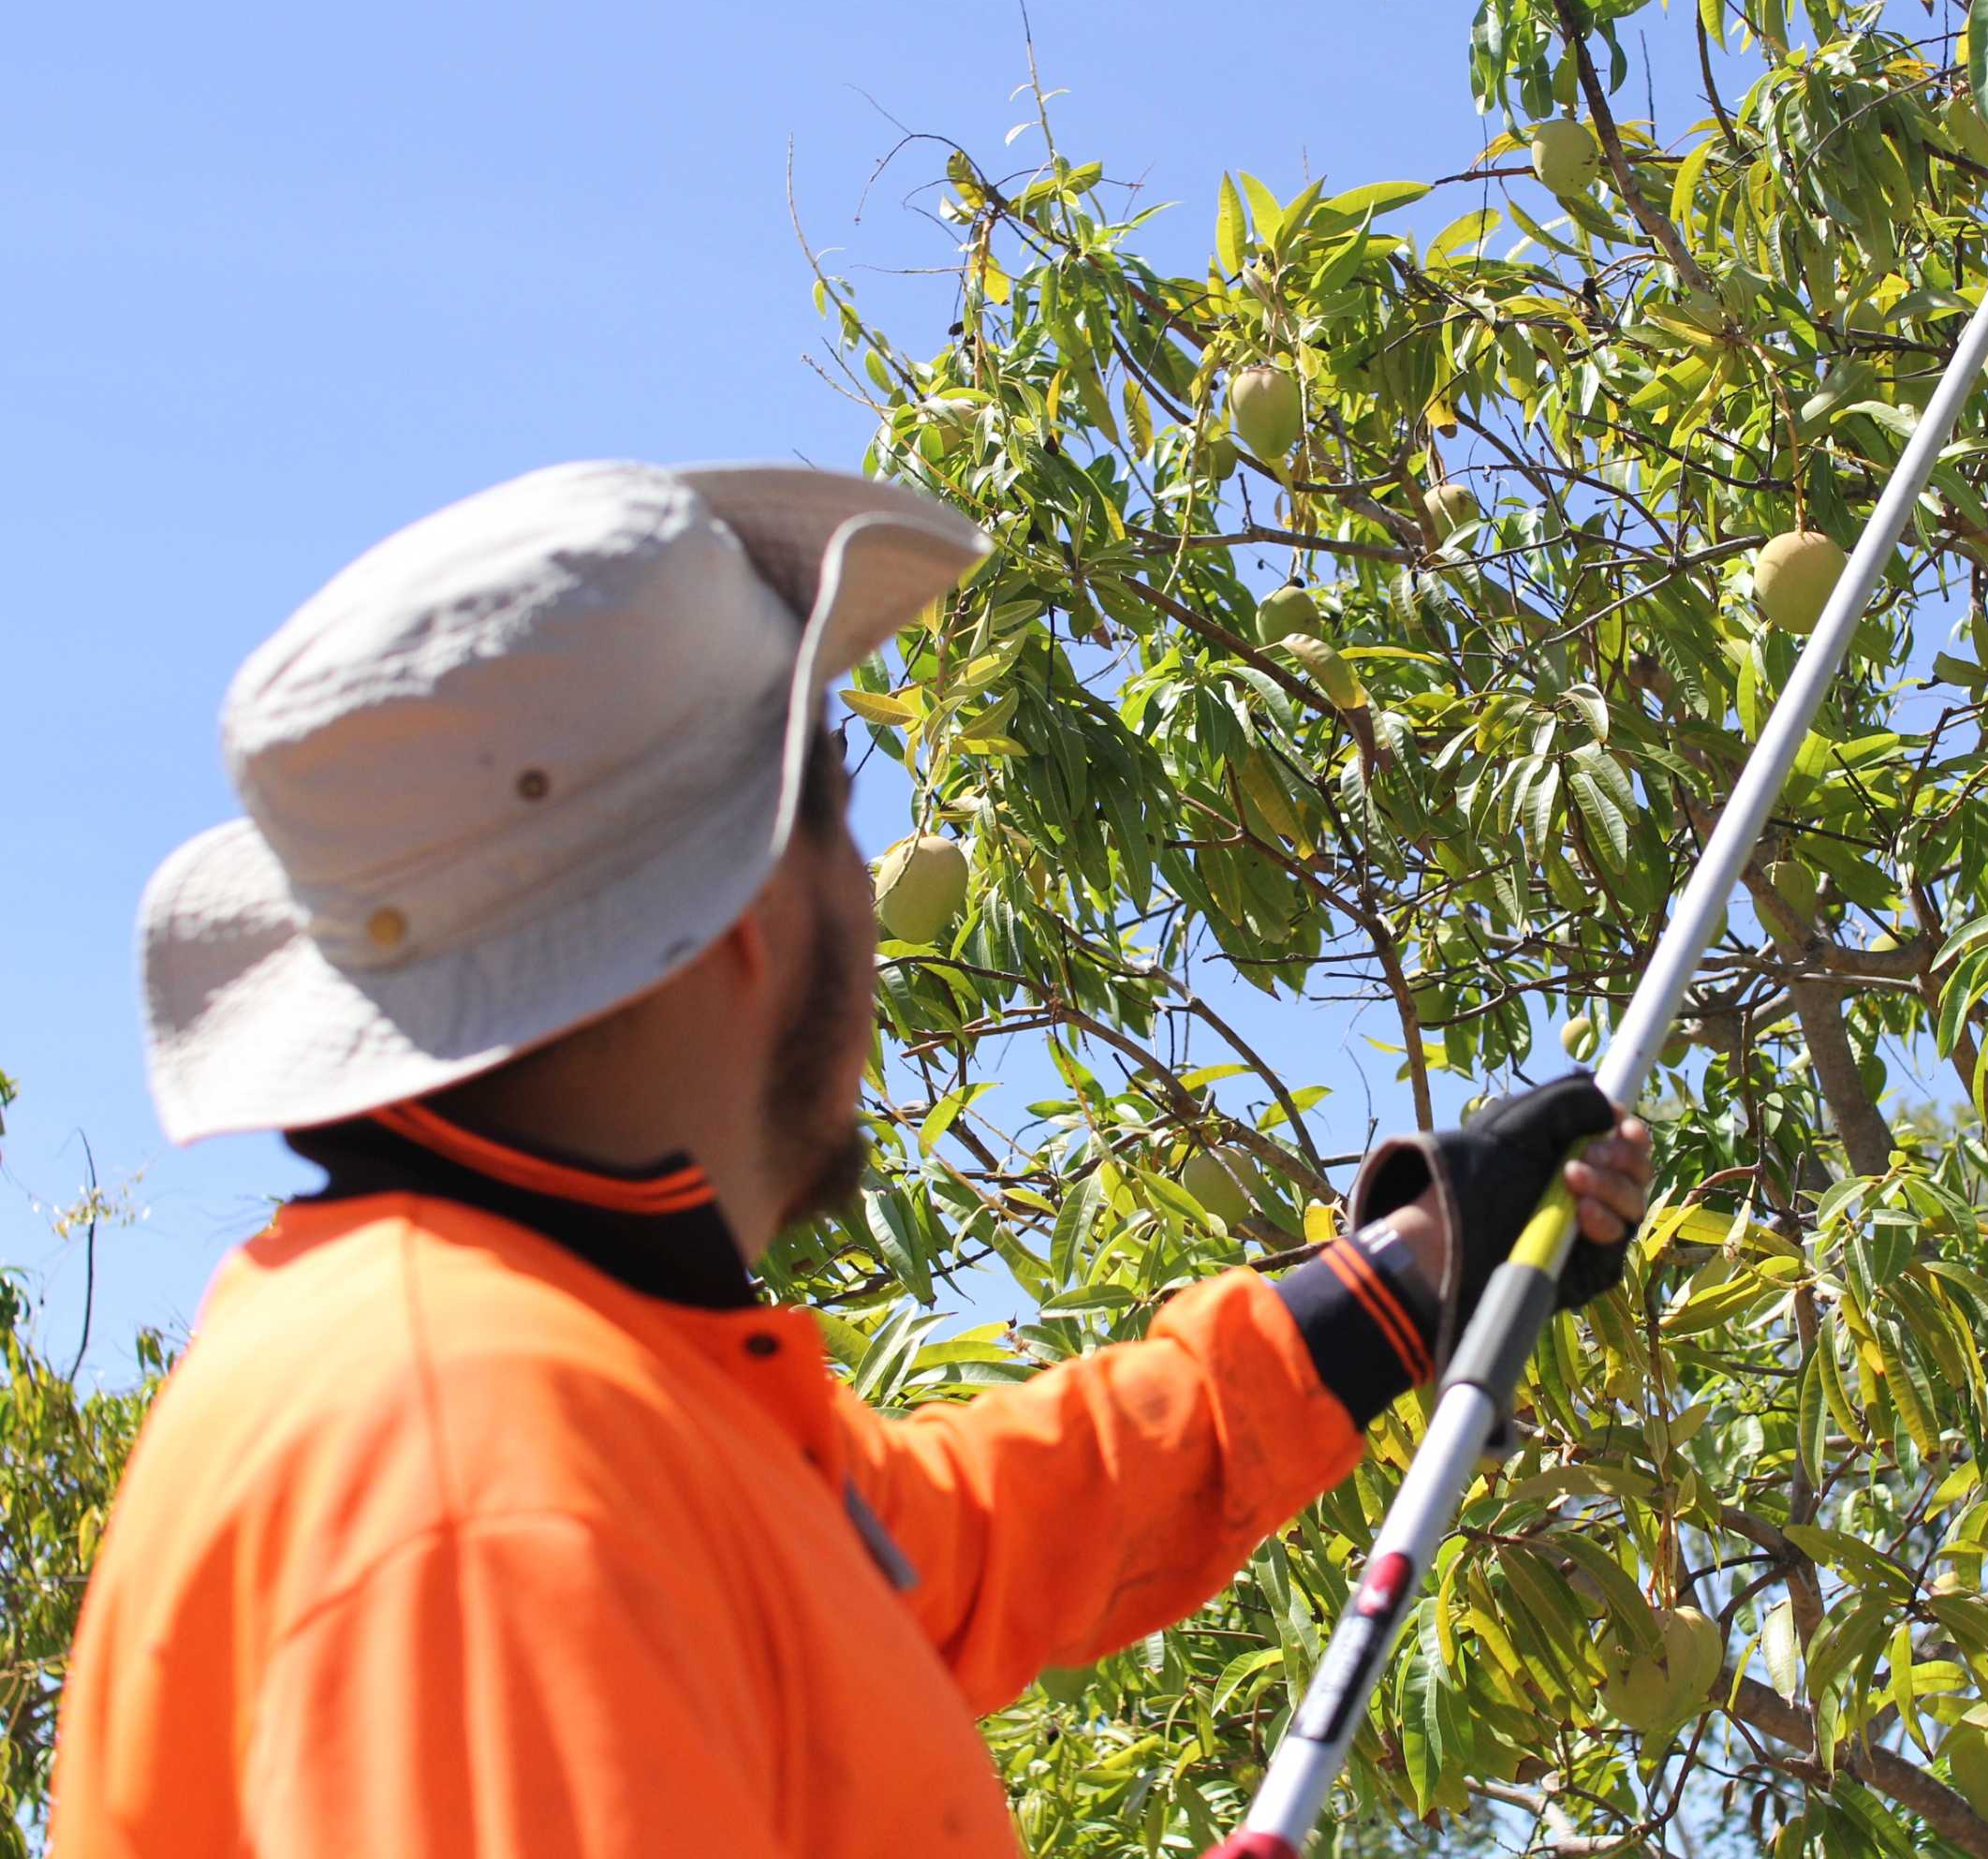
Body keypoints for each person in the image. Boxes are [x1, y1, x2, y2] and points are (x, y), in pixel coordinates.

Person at [50, 462, 1654, 1856]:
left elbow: (970, 1536)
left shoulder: (562, 1372)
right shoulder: (491, 1479)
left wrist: (1405, 1276)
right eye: (838, 808)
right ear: (748, 914)